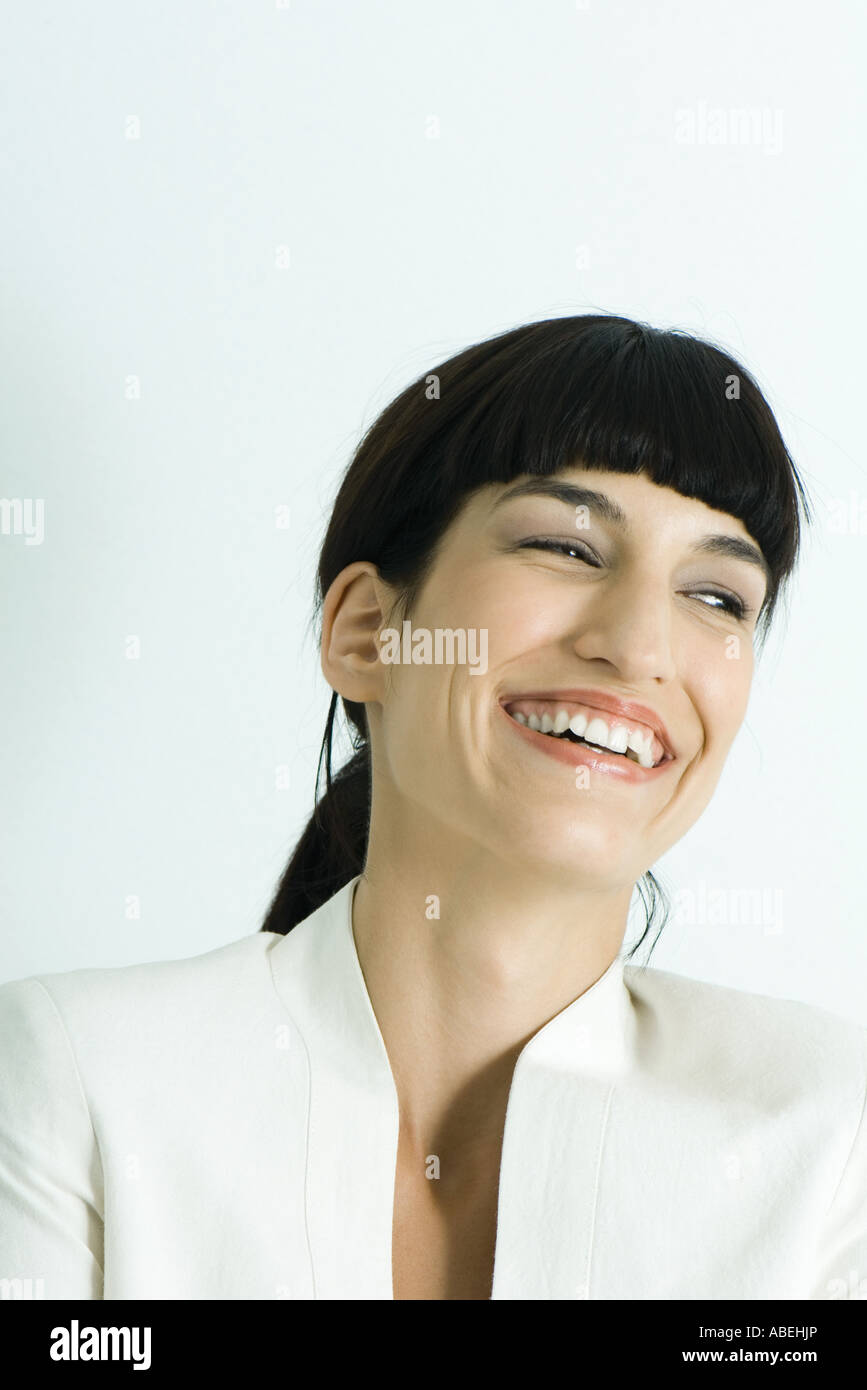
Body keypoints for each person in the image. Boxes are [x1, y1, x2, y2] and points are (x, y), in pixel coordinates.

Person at [1, 314, 864, 1301]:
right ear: (367, 631)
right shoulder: (81, 1082)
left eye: (717, 596)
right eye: (567, 547)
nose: (639, 644)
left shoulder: (830, 1141)